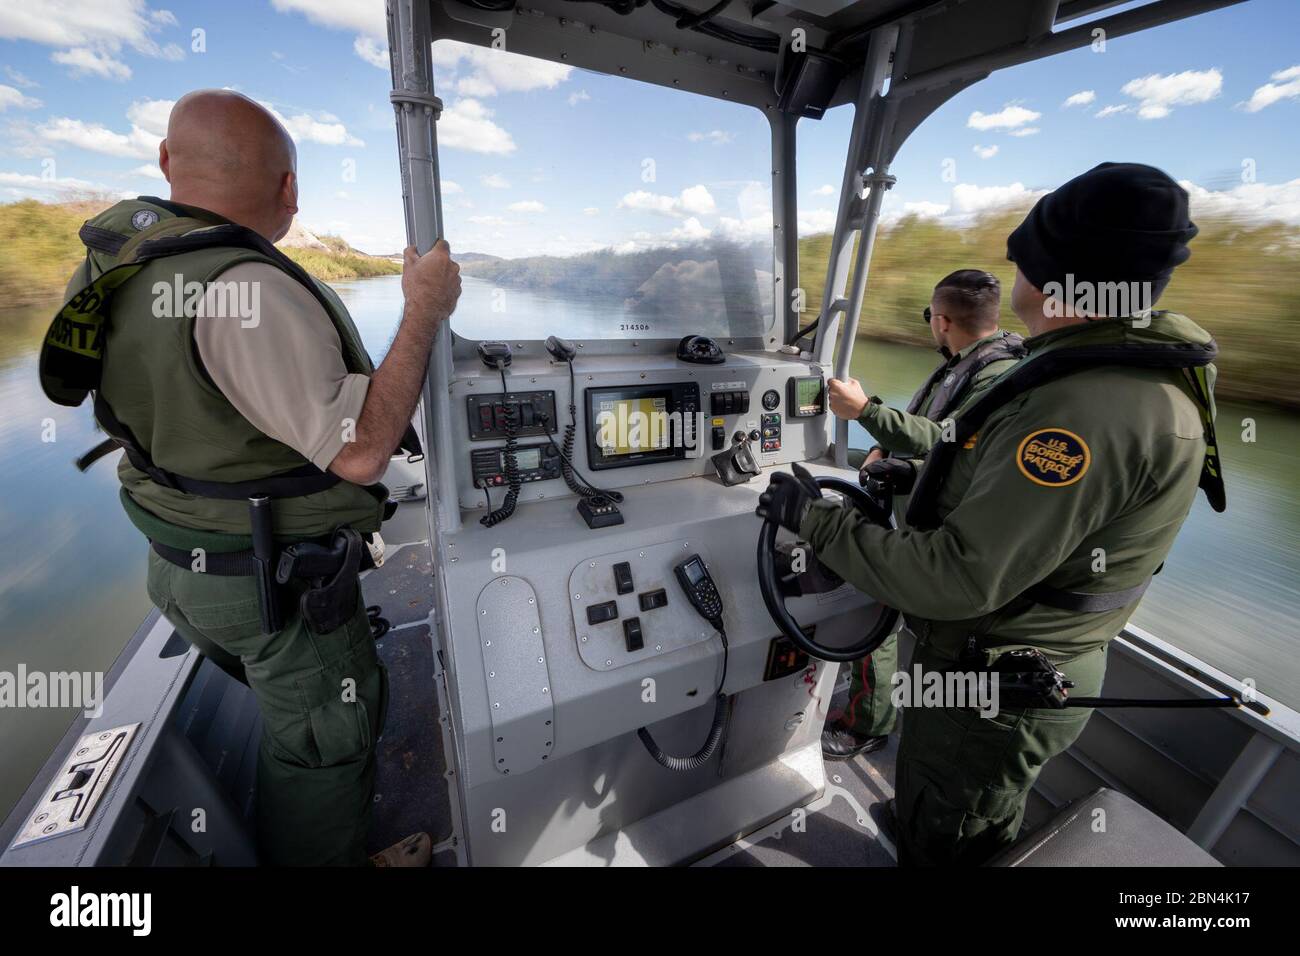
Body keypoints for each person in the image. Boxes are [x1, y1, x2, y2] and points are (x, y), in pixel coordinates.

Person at [40, 90, 462, 866]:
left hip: (180, 562)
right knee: (327, 743)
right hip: (268, 580)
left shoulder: (114, 265)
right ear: (290, 190)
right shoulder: (248, 291)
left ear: (167, 164)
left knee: (291, 712)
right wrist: (424, 311)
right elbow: (363, 452)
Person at [757, 162, 1223, 865]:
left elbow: (956, 579)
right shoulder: (1125, 378)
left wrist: (814, 518)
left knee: (955, 837)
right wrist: (925, 476)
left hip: (994, 687)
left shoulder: (1082, 410)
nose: (1015, 283)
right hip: (1012, 664)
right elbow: (1018, 502)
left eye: (1025, 264)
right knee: (951, 807)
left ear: (1060, 279)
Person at [820, 270, 1024, 760]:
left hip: (940, 533)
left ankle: (868, 723)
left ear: (942, 320)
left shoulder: (993, 377)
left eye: (930, 317)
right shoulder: (967, 363)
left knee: (877, 614)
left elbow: (942, 439)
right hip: (918, 507)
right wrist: (885, 452)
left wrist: (865, 411)